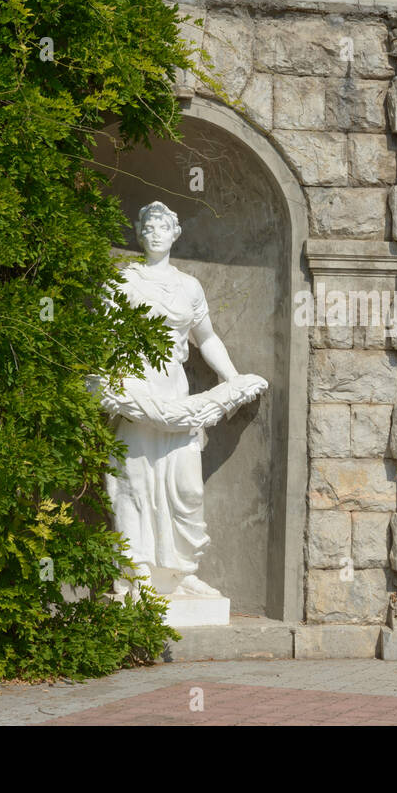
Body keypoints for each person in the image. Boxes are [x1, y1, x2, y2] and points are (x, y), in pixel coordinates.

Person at [88, 201, 266, 600]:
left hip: (176, 393)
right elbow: (105, 339)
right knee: (133, 485)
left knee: (187, 488)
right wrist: (114, 386)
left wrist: (232, 379)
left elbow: (208, 338)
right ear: (139, 232)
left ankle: (181, 572)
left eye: (162, 227)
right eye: (147, 226)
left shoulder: (189, 286)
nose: (154, 233)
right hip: (136, 390)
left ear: (175, 233)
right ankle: (135, 577)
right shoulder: (123, 281)